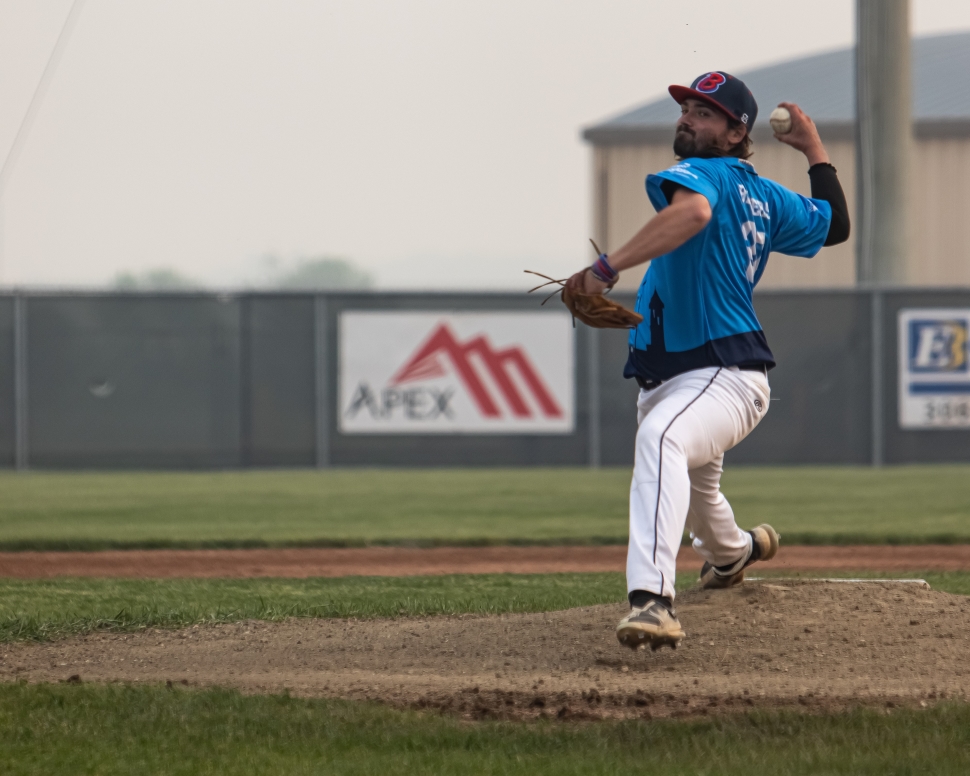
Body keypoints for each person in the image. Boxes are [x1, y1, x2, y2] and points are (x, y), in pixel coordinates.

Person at [567, 71, 850, 651]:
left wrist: (604, 269)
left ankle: (652, 601)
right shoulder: (765, 195)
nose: (687, 119)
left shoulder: (706, 174)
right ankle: (735, 552)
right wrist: (814, 150)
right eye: (687, 109)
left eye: (704, 113)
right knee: (699, 493)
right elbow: (836, 226)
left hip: (720, 371)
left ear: (735, 133)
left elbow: (693, 214)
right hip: (683, 377)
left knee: (662, 441)